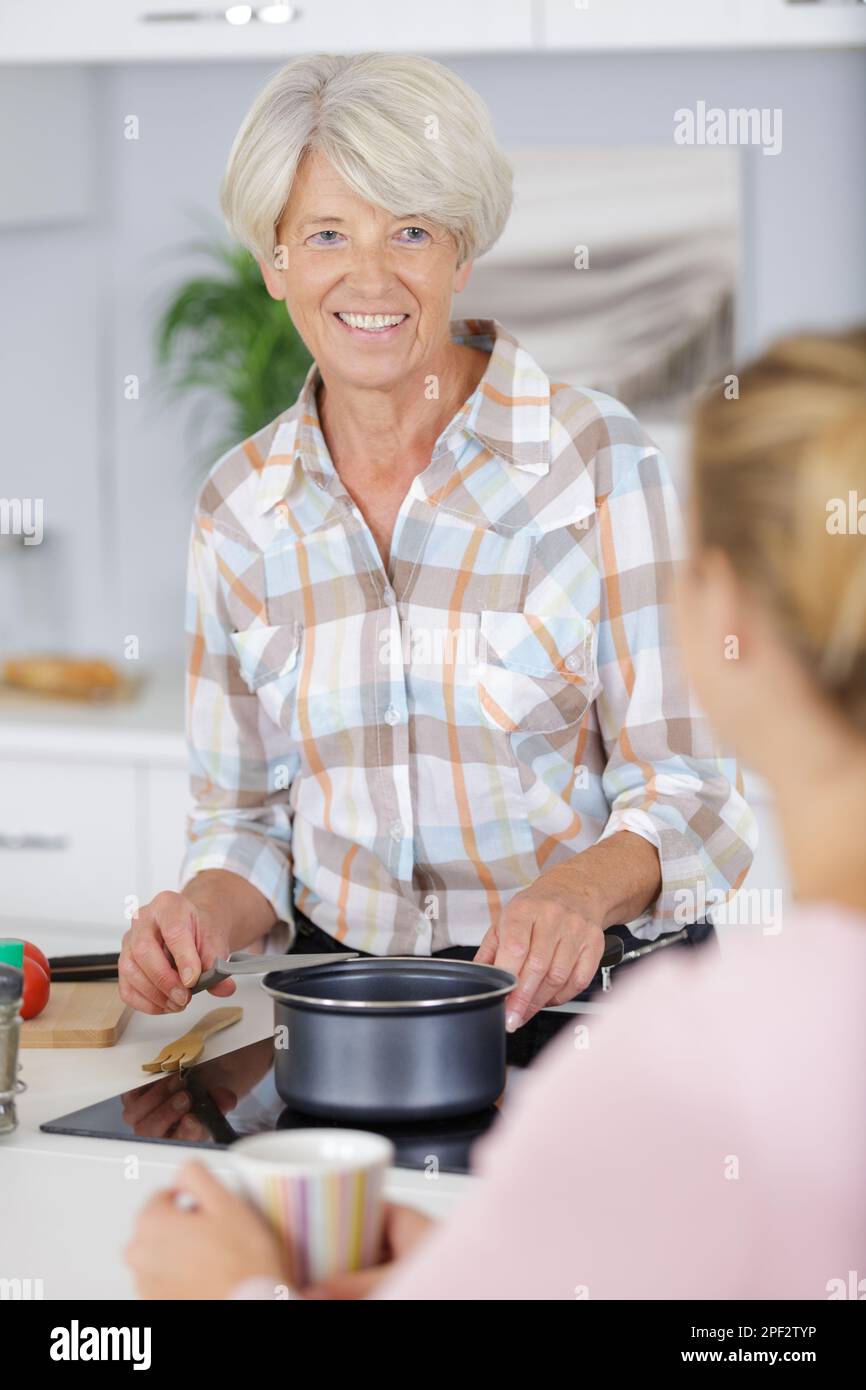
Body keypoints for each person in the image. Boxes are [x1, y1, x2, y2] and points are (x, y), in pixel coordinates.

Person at [127, 328, 866, 1300]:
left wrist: (236, 1293)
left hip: (573, 1011)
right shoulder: (240, 501)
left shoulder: (677, 1066)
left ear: (720, 612)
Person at [117, 52, 752, 1031]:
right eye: (326, 233)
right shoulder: (238, 507)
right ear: (275, 263)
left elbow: (694, 797)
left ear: (460, 254)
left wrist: (574, 895)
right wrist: (198, 917)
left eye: (408, 231)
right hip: (348, 1011)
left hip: (592, 1004)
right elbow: (242, 824)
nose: (369, 277)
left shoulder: (596, 463)